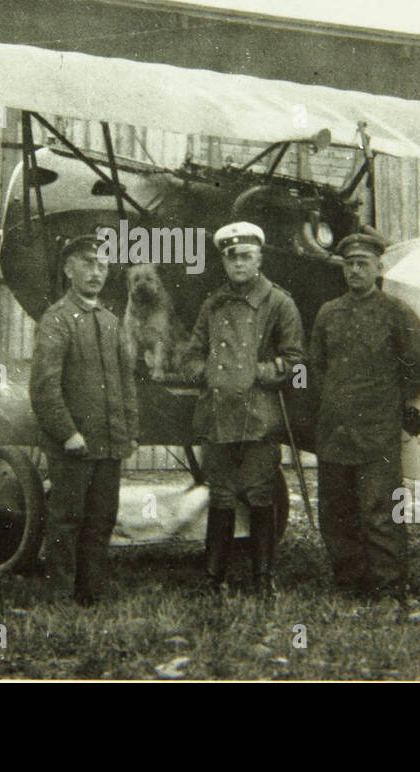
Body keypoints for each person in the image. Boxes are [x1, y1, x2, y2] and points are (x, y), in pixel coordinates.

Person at [308, 229, 420, 599]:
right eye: (348, 264)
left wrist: (388, 400)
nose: (354, 271)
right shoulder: (328, 313)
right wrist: (333, 398)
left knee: (380, 512)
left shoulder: (396, 313)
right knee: (336, 514)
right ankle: (349, 585)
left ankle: (389, 588)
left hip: (377, 433)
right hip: (334, 431)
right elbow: (315, 365)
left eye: (362, 264)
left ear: (378, 268)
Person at [181, 221, 305, 594]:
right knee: (220, 496)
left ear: (259, 259)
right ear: (224, 262)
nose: (238, 263)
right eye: (231, 257)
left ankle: (263, 580)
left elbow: (297, 362)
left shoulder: (280, 303)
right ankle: (212, 579)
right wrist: (208, 375)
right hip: (217, 416)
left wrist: (255, 373)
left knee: (260, 496)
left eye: (246, 256)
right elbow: (191, 357)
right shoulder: (213, 303)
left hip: (258, 418)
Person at [29, 234, 140, 605]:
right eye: (88, 262)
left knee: (101, 520)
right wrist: (67, 433)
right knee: (66, 519)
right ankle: (60, 596)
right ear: (68, 268)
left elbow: (126, 383)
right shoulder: (56, 320)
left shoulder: (110, 322)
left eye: (103, 265)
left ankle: (89, 594)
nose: (96, 271)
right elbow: (44, 387)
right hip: (75, 444)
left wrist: (130, 433)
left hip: (109, 443)